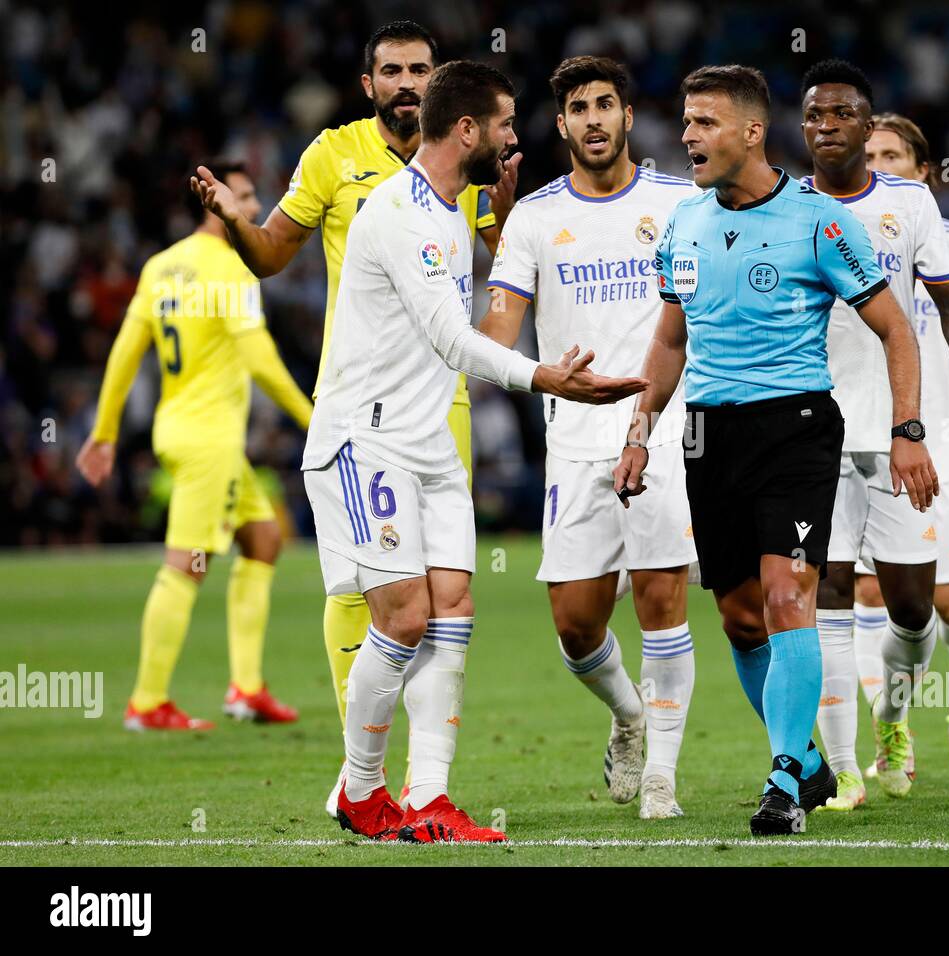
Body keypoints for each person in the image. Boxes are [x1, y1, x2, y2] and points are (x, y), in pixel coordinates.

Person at [303, 60, 647, 842]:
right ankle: (360, 791)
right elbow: (454, 338)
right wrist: (546, 379)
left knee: (453, 611)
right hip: (369, 438)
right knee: (403, 617)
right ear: (467, 131)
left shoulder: (452, 212)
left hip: (428, 447)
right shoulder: (398, 212)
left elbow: (465, 313)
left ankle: (429, 799)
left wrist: (495, 222)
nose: (512, 135)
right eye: (504, 123)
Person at [189, 20, 519, 816]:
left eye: (420, 70)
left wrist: (504, 215)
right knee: (366, 594)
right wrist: (235, 222)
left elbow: (498, 275)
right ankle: (362, 769)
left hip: (446, 402)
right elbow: (272, 255)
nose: (407, 82)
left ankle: (420, 785)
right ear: (366, 85)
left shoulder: (466, 168)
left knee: (445, 600)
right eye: (391, 71)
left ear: (440, 88)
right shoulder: (333, 157)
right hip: (367, 408)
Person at [613, 65, 936, 835]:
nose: (687, 136)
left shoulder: (818, 222)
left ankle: (786, 780)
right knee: (740, 618)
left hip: (794, 427)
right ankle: (809, 759)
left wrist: (907, 429)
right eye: (686, 122)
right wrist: (639, 431)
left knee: (791, 595)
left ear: (752, 133)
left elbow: (896, 328)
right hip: (707, 432)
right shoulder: (685, 223)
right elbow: (670, 336)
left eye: (704, 123)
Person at [481, 56, 699, 819]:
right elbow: (497, 332)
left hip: (666, 427)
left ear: (629, 117)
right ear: (563, 124)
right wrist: (511, 358)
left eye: (607, 104)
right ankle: (630, 715)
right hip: (572, 437)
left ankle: (664, 778)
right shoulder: (535, 218)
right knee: (577, 627)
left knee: (661, 597)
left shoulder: (680, 201)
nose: (595, 119)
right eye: (579, 108)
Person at [799, 64, 949, 806]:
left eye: (843, 114)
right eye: (816, 115)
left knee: (915, 609)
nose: (828, 127)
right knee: (831, 595)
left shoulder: (910, 205)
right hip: (815, 434)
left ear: (865, 119)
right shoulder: (783, 204)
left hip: (902, 433)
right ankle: (844, 769)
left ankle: (894, 717)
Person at [76, 161, 313, 731]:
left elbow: (126, 353)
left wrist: (105, 431)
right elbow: (259, 360)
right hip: (210, 441)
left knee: (262, 540)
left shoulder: (161, 266)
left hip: (179, 430)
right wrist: (314, 417)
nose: (257, 208)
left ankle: (247, 689)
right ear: (219, 204)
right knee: (187, 564)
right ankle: (147, 700)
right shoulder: (233, 268)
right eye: (249, 197)